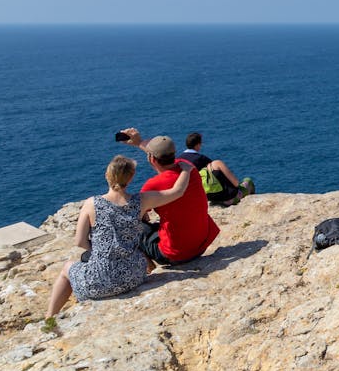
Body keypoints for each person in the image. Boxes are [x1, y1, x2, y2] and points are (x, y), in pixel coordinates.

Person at [46, 155, 192, 317]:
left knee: (67, 268)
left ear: (107, 175)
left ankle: (49, 318)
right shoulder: (142, 201)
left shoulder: (91, 204)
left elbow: (80, 241)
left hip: (100, 281)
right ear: (130, 178)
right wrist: (186, 170)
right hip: (134, 276)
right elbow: (177, 191)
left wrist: (101, 251)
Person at [122, 129, 221, 264]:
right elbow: (161, 158)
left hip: (176, 254)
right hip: (201, 244)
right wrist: (139, 142)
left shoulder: (152, 185)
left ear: (151, 159)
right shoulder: (188, 168)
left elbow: (135, 214)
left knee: (131, 224)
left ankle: (145, 264)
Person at [180, 132, 255, 206]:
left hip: (206, 197)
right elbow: (236, 183)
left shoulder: (179, 160)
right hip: (227, 197)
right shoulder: (202, 159)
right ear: (198, 145)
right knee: (248, 181)